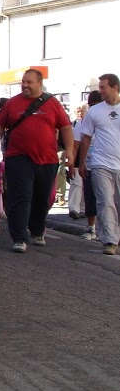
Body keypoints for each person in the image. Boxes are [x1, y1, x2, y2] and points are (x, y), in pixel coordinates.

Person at [0, 69, 73, 253]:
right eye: (23, 82)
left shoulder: (52, 103)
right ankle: (19, 237)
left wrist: (70, 150)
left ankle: (37, 231)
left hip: (47, 159)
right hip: (19, 158)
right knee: (20, 197)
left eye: (29, 82)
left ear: (40, 83)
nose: (25, 85)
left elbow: (65, 127)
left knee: (42, 198)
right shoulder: (13, 103)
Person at [77, 74, 120, 255]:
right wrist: (81, 162)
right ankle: (110, 240)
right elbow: (86, 137)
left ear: (115, 88)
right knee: (105, 201)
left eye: (103, 87)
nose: (100, 90)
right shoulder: (94, 111)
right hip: (100, 163)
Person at [77, 91, 103, 240]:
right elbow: (80, 141)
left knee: (105, 200)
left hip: (107, 164)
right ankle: (92, 228)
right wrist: (80, 163)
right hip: (91, 164)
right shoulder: (86, 120)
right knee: (92, 197)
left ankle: (103, 230)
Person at [68, 102, 90, 219]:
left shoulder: (89, 123)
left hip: (89, 159)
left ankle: (83, 209)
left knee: (85, 186)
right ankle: (74, 208)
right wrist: (71, 163)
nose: (80, 113)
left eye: (82, 111)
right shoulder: (76, 124)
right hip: (77, 159)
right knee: (77, 183)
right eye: (78, 111)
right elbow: (74, 146)